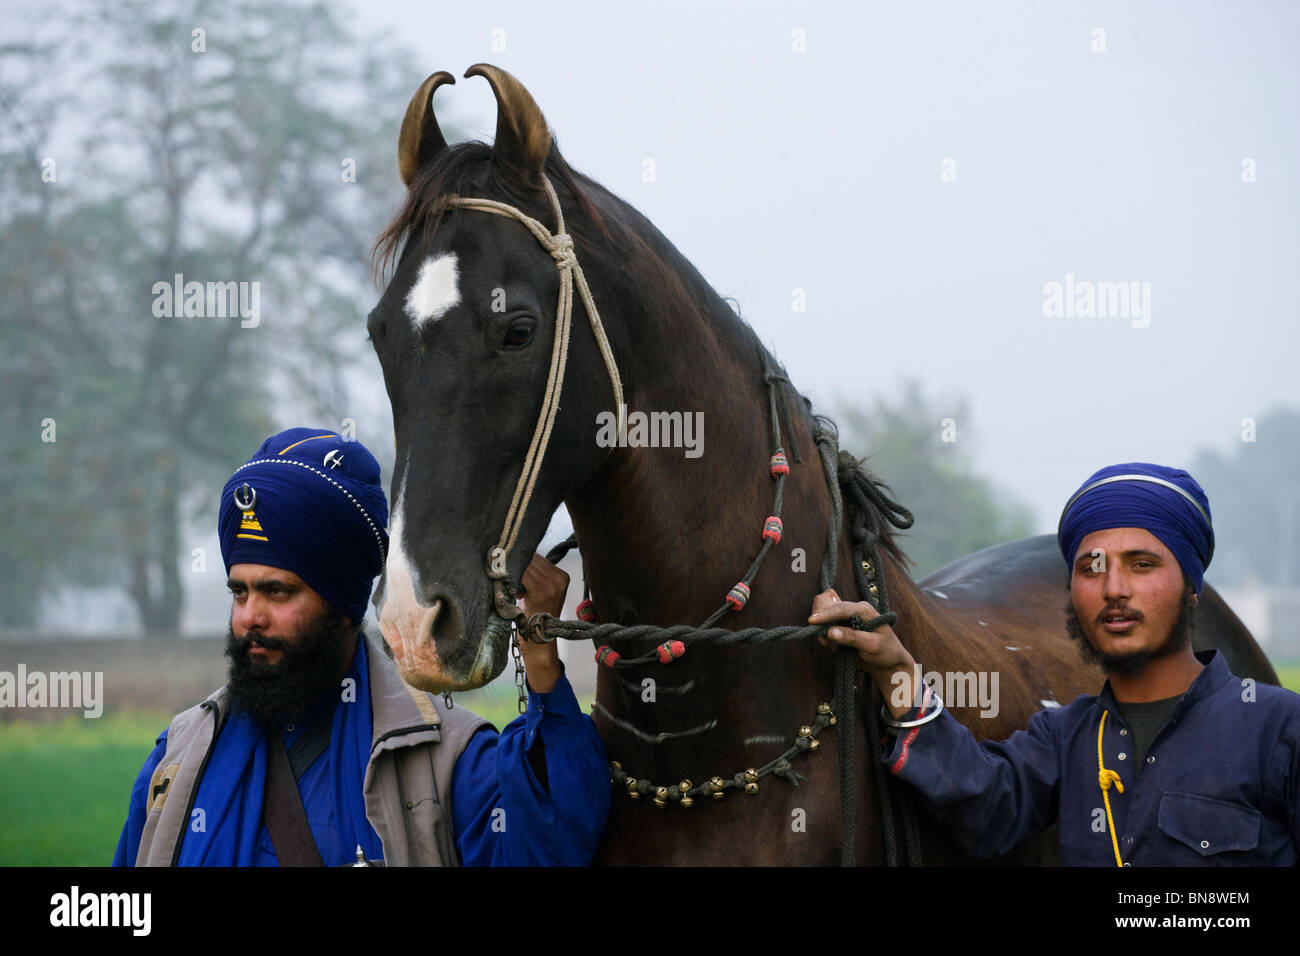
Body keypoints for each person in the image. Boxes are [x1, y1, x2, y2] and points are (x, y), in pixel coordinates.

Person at [113, 427, 609, 866]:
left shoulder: (441, 760)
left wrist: (540, 654)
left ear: (342, 605)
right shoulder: (177, 760)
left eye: (276, 591)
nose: (249, 616)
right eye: (239, 591)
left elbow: (549, 845)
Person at [809, 462, 1300, 865]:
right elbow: (982, 803)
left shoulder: (1278, 729)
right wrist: (897, 673)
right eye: (1091, 568)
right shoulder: (1065, 738)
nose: (1114, 588)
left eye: (1142, 564)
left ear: (1192, 588)